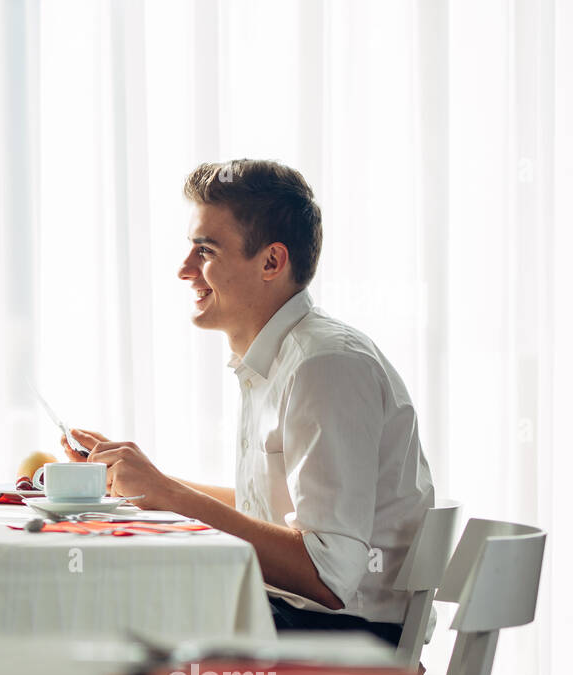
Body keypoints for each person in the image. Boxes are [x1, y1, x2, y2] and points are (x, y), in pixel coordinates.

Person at [65, 159, 434, 646]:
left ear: (271, 262)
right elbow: (270, 516)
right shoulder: (282, 360)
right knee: (106, 603)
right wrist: (148, 481)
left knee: (97, 613)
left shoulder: (323, 366)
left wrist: (169, 495)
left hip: (340, 637)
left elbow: (330, 577)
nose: (183, 270)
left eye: (205, 251)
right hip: (298, 619)